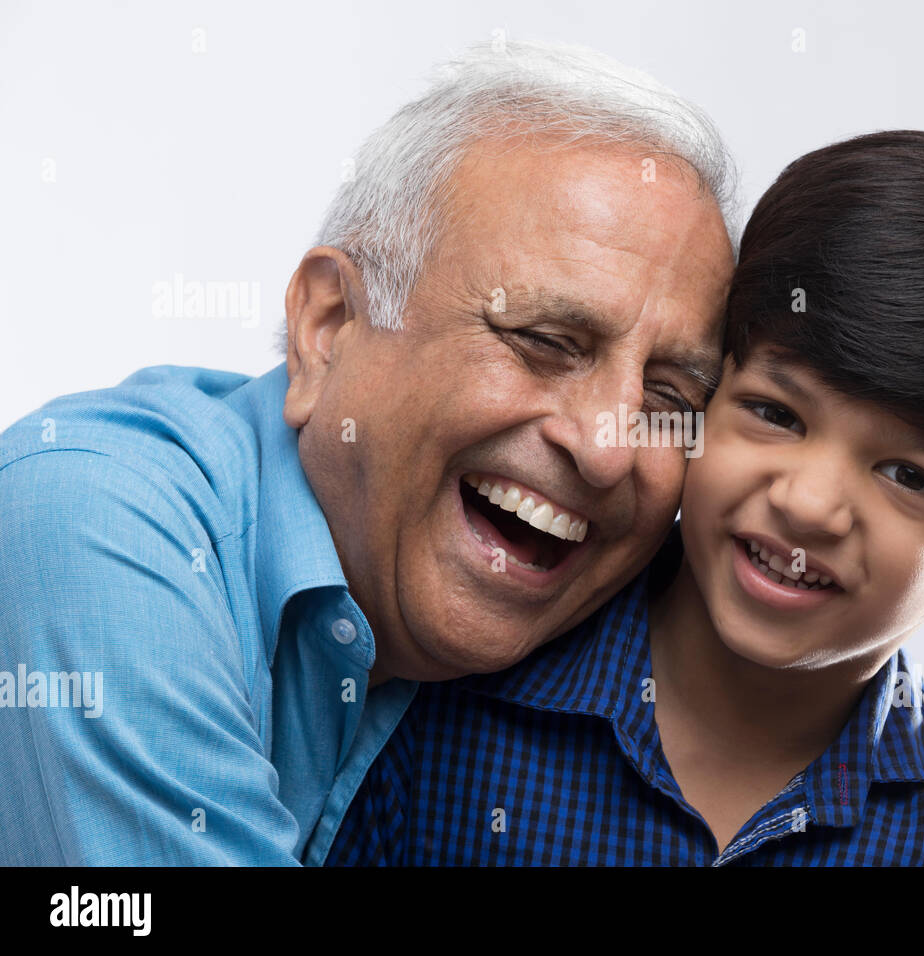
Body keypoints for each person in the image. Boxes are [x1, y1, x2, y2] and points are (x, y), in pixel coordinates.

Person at [326, 130, 924, 865]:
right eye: (774, 413)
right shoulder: (468, 666)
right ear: (697, 402)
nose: (805, 503)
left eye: (910, 476)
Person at [0, 39, 737, 865]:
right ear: (329, 326)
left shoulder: (568, 620)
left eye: (671, 397)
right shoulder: (92, 519)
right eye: (545, 341)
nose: (609, 452)